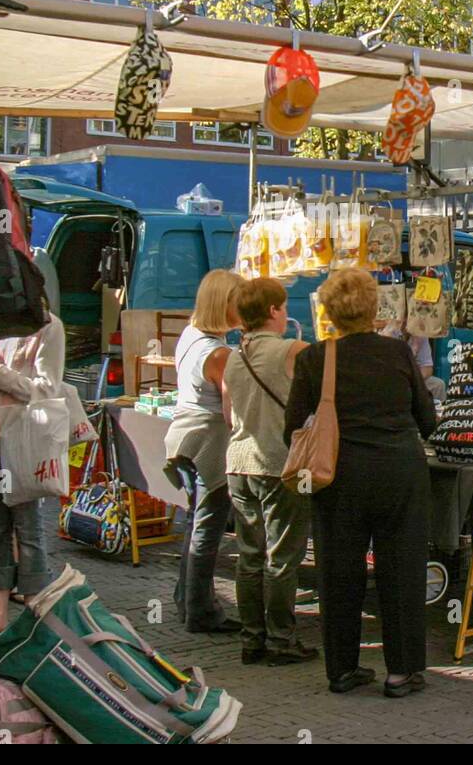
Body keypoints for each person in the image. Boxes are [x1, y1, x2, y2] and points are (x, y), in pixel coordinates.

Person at [285, 268, 436, 698]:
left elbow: (291, 428)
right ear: (375, 307)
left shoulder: (315, 358)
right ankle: (401, 672)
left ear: (329, 311)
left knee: (338, 572)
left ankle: (342, 670)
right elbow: (426, 420)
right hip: (398, 474)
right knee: (402, 571)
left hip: (339, 477)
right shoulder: (398, 354)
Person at [0, 290, 88, 646]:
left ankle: (38, 607)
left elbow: (47, 388)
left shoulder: (49, 327)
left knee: (27, 524)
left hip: (23, 437)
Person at [222, 277, 315, 666]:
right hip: (279, 463)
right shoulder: (294, 350)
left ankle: (252, 639)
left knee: (249, 555)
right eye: (283, 306)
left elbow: (229, 414)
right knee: (282, 557)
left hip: (239, 462)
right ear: (274, 311)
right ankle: (280, 640)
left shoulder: (230, 356)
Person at [164, 268, 244, 633]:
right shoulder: (219, 353)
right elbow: (232, 413)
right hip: (208, 444)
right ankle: (201, 611)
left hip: (184, 438)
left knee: (197, 522)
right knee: (206, 529)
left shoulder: (190, 335)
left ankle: (189, 600)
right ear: (223, 305)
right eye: (238, 303)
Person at [379, 323, 446, 402]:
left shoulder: (420, 335)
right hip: (390, 378)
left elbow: (427, 368)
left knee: (438, 384)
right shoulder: (388, 333)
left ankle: (434, 412)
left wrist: (413, 379)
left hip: (412, 378)